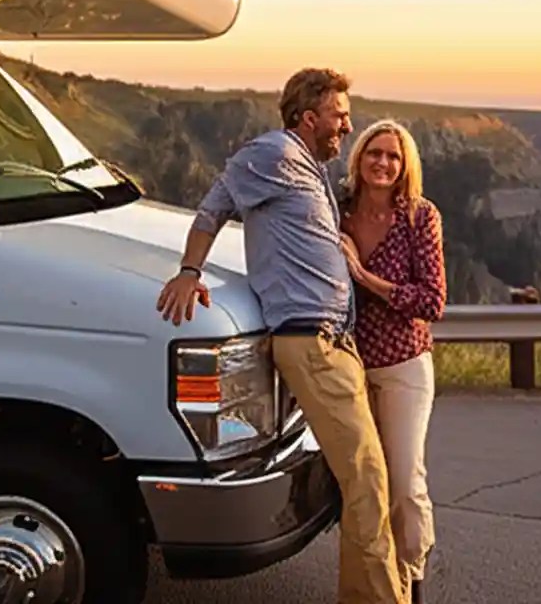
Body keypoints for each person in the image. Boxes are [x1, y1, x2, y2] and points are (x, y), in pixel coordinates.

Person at [156, 68, 409, 604]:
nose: (347, 124)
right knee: (368, 479)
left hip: (334, 343)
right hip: (311, 343)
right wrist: (189, 271)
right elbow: (214, 207)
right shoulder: (271, 154)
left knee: (366, 478)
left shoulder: (310, 167)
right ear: (308, 116)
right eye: (340, 114)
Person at [337, 119, 446, 604]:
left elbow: (432, 301)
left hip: (404, 366)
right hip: (349, 368)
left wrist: (364, 277)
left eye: (393, 156)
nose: (383, 163)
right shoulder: (336, 212)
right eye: (374, 153)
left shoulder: (420, 217)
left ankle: (413, 582)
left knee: (404, 483)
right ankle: (375, 588)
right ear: (359, 159)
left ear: (405, 168)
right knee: (366, 490)